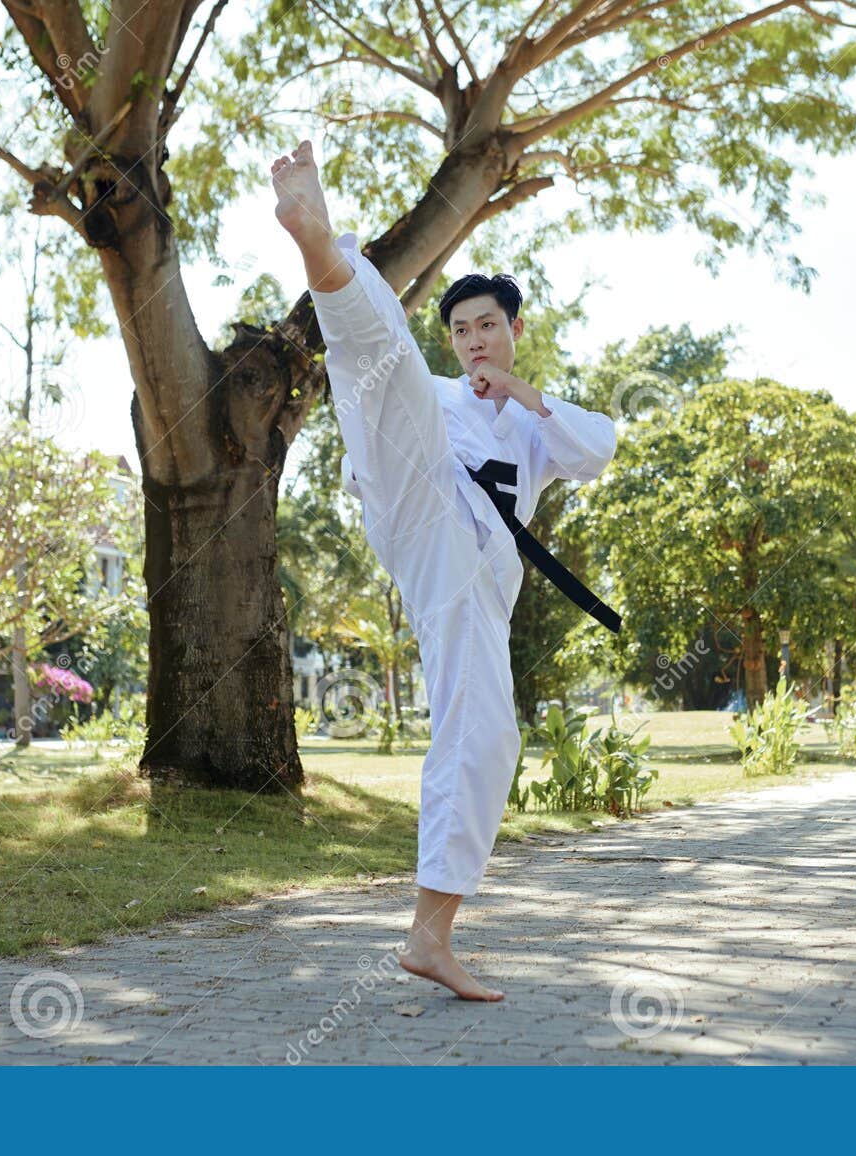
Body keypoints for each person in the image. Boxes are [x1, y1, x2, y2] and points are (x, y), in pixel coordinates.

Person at [271, 140, 617, 1001]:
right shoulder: (441, 391)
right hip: (420, 510)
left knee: (487, 735)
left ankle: (431, 936)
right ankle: (320, 246)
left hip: (478, 577)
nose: (472, 342)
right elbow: (387, 393)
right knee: (385, 371)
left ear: (513, 329)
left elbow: (597, 450)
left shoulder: (539, 423)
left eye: (486, 326)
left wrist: (526, 393)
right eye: (461, 330)